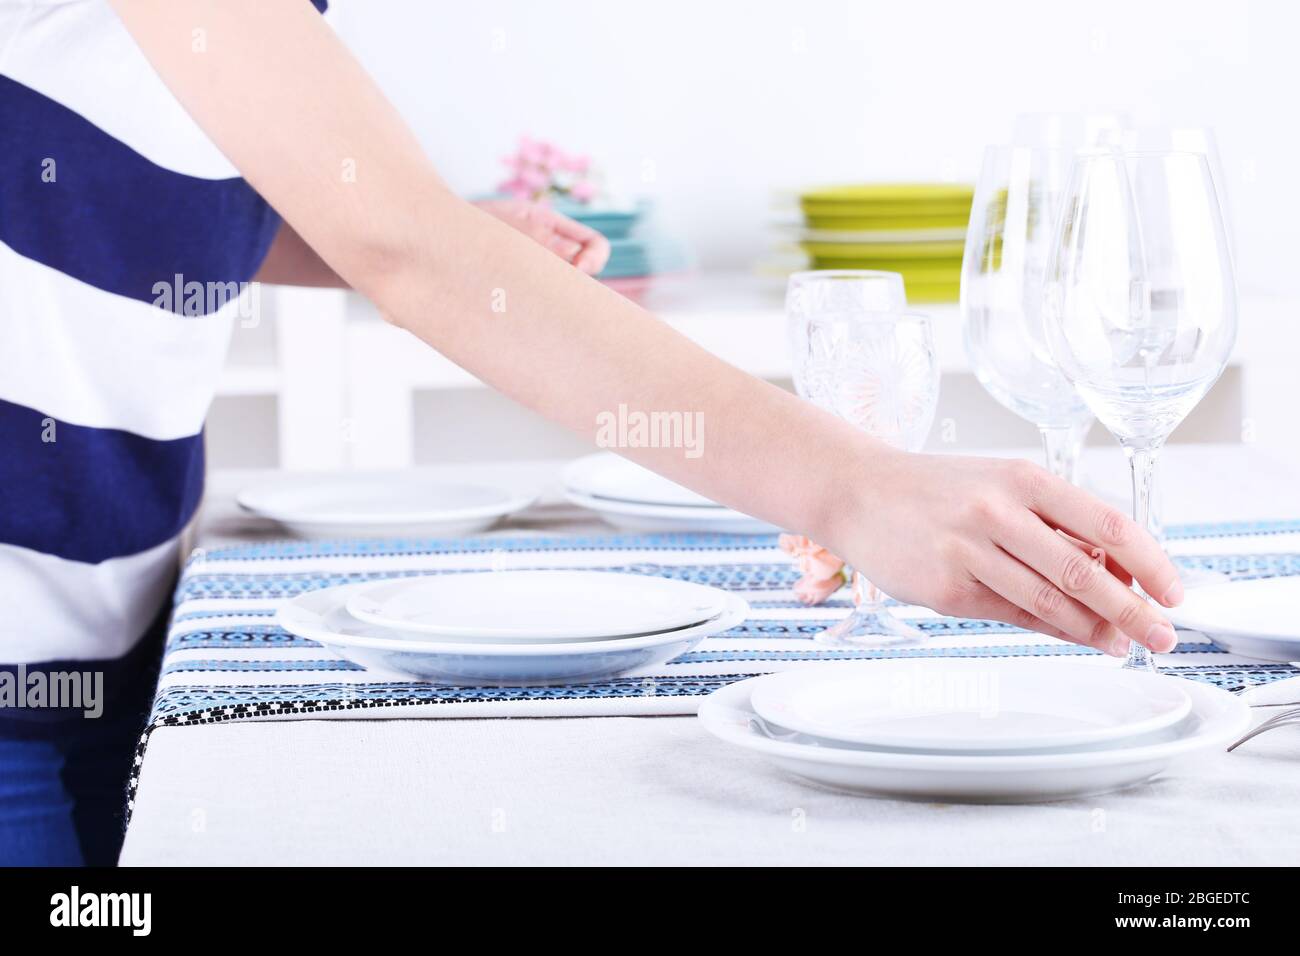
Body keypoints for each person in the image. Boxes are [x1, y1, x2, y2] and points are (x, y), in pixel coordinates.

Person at [0, 0, 1183, 866]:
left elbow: (107, 184)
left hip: (111, 616)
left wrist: (413, 218)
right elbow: (407, 255)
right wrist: (851, 485)